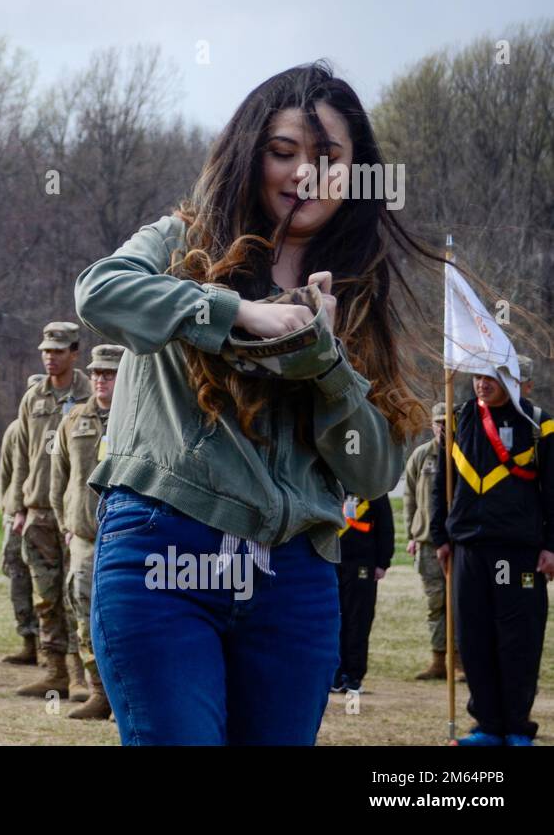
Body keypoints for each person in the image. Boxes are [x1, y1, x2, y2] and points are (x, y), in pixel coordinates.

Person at [76, 62, 427, 745]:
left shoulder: (362, 291)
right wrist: (235, 311)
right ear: (249, 153)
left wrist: (322, 360)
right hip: (163, 554)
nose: (303, 176)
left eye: (327, 159)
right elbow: (100, 293)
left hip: (295, 579)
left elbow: (375, 469)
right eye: (283, 152)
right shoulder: (185, 240)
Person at [432, 369, 554, 746]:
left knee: (518, 640)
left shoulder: (540, 424)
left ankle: (516, 728)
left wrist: (551, 545)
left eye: (494, 379)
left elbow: (553, 488)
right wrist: (441, 536)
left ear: (520, 384)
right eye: (478, 377)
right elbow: (443, 481)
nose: (482, 384)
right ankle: (485, 726)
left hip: (518, 553)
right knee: (474, 638)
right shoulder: (459, 416)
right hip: (468, 547)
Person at [8, 323, 91, 702]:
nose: (50, 356)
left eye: (58, 350)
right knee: (45, 595)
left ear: (75, 352)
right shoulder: (33, 397)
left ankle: (78, 676)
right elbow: (21, 457)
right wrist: (18, 507)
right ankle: (52, 670)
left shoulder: (90, 395)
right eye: (46, 350)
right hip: (38, 510)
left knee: (73, 595)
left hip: (72, 513)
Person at [51, 343, 123, 719]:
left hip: (127, 538)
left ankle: (124, 694)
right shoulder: (74, 419)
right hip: (83, 536)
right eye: (96, 373)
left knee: (125, 617)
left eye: (109, 373)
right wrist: (66, 524)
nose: (100, 379)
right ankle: (99, 693)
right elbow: (59, 476)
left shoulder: (138, 418)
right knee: (83, 612)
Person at [403, 402, 460, 680]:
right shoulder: (421, 456)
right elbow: (409, 497)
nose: (442, 428)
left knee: (459, 602)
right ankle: (438, 659)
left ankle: (460, 660)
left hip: (459, 542)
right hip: (427, 540)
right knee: (435, 602)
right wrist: (410, 534)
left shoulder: (464, 453)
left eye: (447, 422)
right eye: (438, 422)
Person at [0, 378, 42, 666]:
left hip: (42, 510)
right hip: (17, 511)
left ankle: (51, 644)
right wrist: (9, 510)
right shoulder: (15, 431)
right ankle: (28, 637)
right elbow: (7, 473)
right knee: (17, 573)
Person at [332, 494, 393, 693]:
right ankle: (335, 673)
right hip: (332, 561)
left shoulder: (373, 489)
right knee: (333, 619)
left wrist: (382, 562)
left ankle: (353, 675)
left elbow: (385, 525)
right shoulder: (332, 483)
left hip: (361, 563)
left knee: (358, 619)